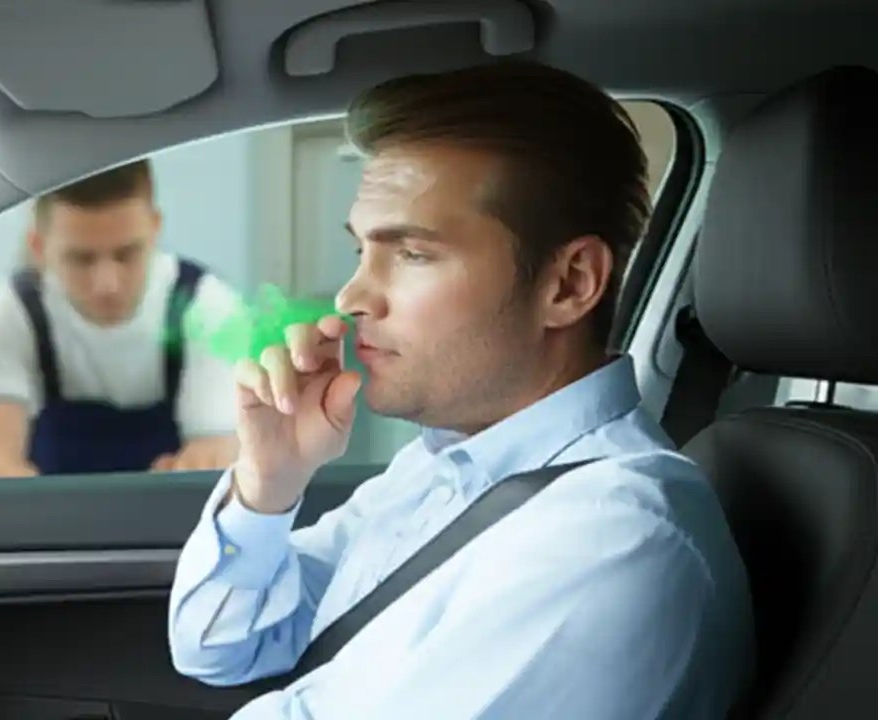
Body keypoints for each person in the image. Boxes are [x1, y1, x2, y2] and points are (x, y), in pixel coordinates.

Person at [167, 61, 754, 719]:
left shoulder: (613, 538)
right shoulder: (446, 462)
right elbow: (223, 649)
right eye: (361, 251)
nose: (351, 296)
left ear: (570, 283)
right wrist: (269, 482)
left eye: (413, 253)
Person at [0, 159, 242, 476]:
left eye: (127, 254)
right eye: (81, 259)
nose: (107, 285)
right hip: (56, 519)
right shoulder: (15, 309)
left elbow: (218, 459)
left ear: (155, 228)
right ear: (39, 247)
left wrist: (196, 466)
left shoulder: (206, 305)